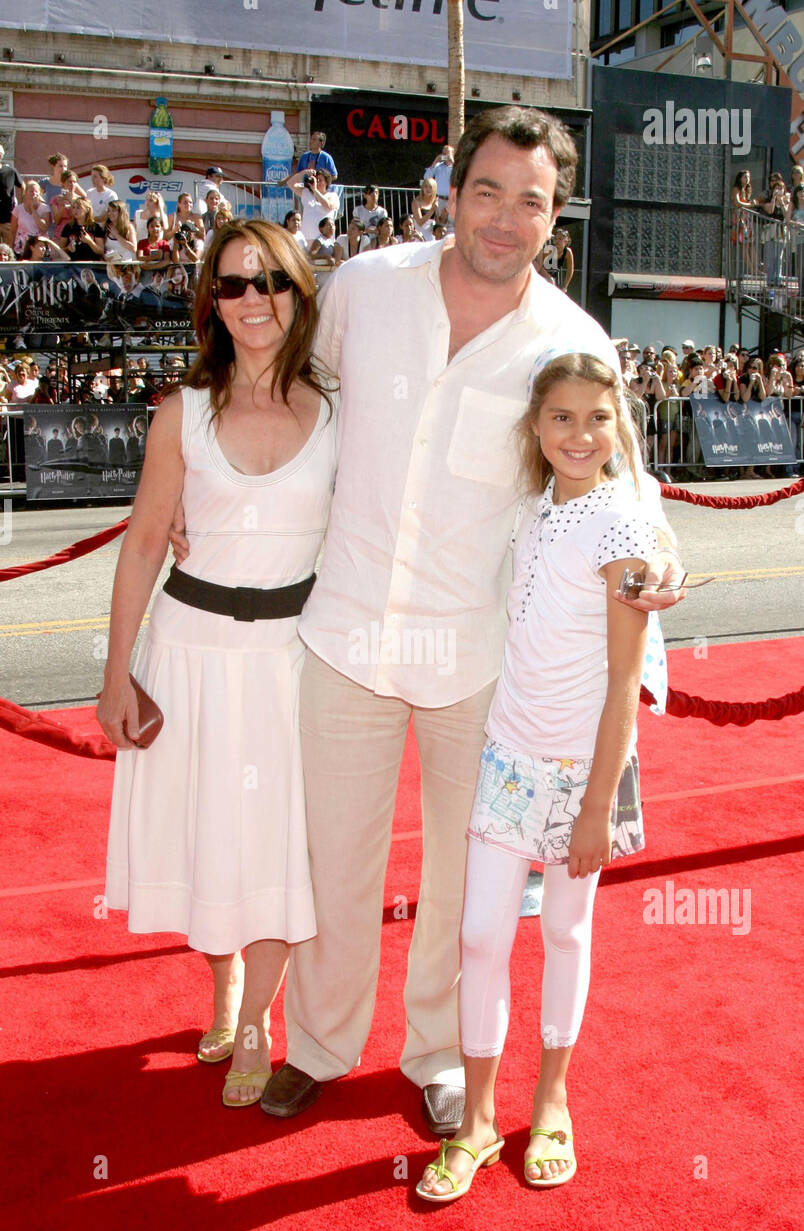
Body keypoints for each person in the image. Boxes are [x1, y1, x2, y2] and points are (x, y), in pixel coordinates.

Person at [230, 105, 685, 1131]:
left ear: (554, 216)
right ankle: (322, 1040)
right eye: (487, 190)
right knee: (330, 860)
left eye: (531, 201)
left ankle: (435, 1051)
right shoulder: (364, 289)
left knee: (454, 878)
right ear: (451, 187)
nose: (503, 218)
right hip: (344, 627)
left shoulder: (570, 338)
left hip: (481, 655)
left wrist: (658, 555)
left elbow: (629, 478)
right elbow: (297, 398)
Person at [98, 219, 338, 1108]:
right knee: (206, 842)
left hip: (289, 663)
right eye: (232, 285)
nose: (251, 301)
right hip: (191, 652)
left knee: (277, 850)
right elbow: (142, 545)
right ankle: (224, 987)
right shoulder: (182, 415)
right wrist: (117, 671)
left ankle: (257, 1022)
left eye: (268, 281)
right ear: (211, 301)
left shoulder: (339, 413)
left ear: (297, 292)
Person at [416, 351, 658, 1201]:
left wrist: (598, 802)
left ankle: (550, 1101)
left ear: (617, 422)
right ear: (536, 426)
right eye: (562, 417)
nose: (580, 434)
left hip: (583, 770)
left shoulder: (624, 528)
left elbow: (625, 679)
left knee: (564, 931)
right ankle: (479, 1120)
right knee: (480, 935)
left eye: (597, 417)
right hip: (506, 760)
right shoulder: (530, 512)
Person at [287, 167, 340, 245]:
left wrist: (315, 190)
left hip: (324, 240)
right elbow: (290, 183)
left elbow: (328, 205)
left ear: (326, 182)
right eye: (316, 180)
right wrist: (303, 172)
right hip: (306, 238)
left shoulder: (332, 196)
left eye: (320, 180)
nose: (317, 182)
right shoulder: (306, 193)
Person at [58, 196, 105, 261]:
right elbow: (59, 249)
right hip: (73, 265)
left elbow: (101, 251)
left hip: (91, 264)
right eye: (73, 207)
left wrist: (90, 242)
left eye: (78, 208)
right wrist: (68, 248)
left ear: (87, 210)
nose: (75, 210)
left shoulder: (95, 227)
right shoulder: (68, 227)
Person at [11, 180, 50, 256]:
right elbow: (12, 232)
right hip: (21, 247)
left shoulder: (44, 208)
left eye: (36, 192)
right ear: (25, 193)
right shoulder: (18, 209)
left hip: (38, 246)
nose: (34, 194)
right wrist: (10, 249)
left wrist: (33, 210)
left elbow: (44, 227)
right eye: (31, 191)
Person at [0, 144, 23, 247]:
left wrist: (22, 205)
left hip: (7, 218)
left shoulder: (10, 171)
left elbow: (23, 186)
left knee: (8, 249)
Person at [423, 145, 455, 215]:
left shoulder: (456, 167)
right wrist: (435, 161)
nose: (446, 155)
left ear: (452, 154)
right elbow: (426, 177)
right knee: (440, 223)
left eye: (448, 153)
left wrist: (453, 162)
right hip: (440, 200)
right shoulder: (438, 166)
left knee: (452, 223)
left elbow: (461, 177)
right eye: (444, 154)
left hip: (452, 200)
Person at [411, 176, 444, 241]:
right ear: (422, 188)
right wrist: (432, 210)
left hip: (431, 236)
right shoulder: (416, 202)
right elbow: (419, 222)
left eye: (430, 187)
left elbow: (438, 222)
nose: (428, 189)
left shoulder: (435, 202)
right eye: (426, 187)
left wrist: (443, 216)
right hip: (419, 235)